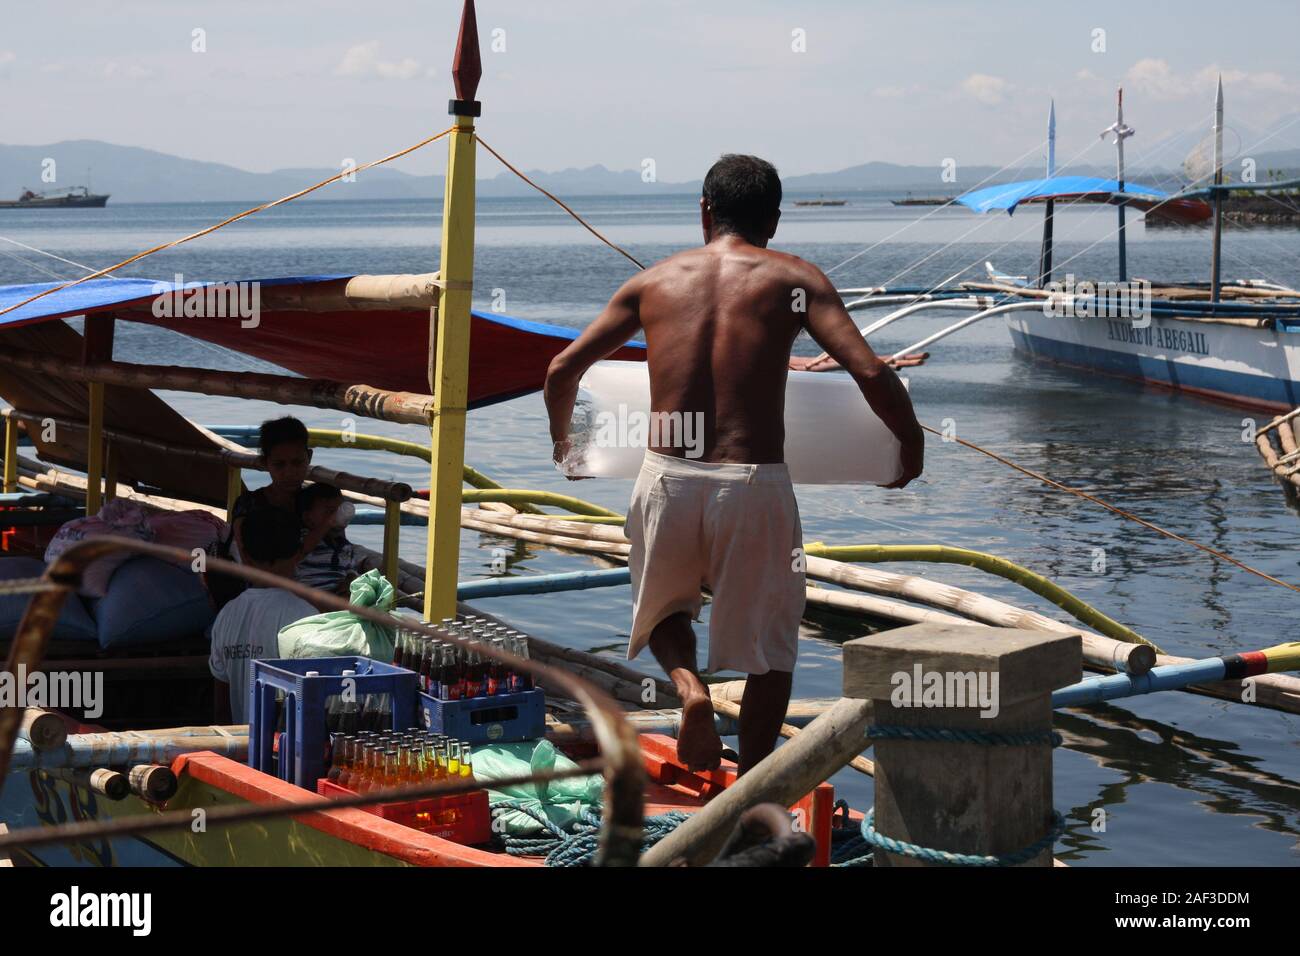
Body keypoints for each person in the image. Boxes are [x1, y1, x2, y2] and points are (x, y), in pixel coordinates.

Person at [544, 154, 924, 774]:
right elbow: (871, 372)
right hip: (752, 483)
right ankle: (750, 785)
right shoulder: (794, 280)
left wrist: (569, 447)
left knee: (666, 608)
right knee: (770, 652)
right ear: (773, 220)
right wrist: (909, 445)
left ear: (704, 212)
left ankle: (690, 691)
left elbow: (563, 369)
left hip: (666, 475)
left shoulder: (654, 282)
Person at [209, 507, 317, 723]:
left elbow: (221, 708)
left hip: (239, 749)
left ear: (245, 554)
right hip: (283, 751)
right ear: (299, 554)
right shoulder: (305, 616)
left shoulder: (227, 613)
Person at [229, 416, 354, 595]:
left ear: (309, 457)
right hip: (263, 597)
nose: (289, 473)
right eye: (280, 465)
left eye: (297, 463)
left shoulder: (318, 502)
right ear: (265, 463)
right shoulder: (249, 506)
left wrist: (348, 580)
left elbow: (339, 551)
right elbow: (254, 573)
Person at [296, 482, 358, 596]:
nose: (335, 516)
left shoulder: (345, 547)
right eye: (329, 511)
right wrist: (325, 525)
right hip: (308, 599)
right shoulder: (304, 539)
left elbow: (351, 571)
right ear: (307, 518)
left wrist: (350, 581)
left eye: (338, 511)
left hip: (336, 597)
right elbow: (300, 552)